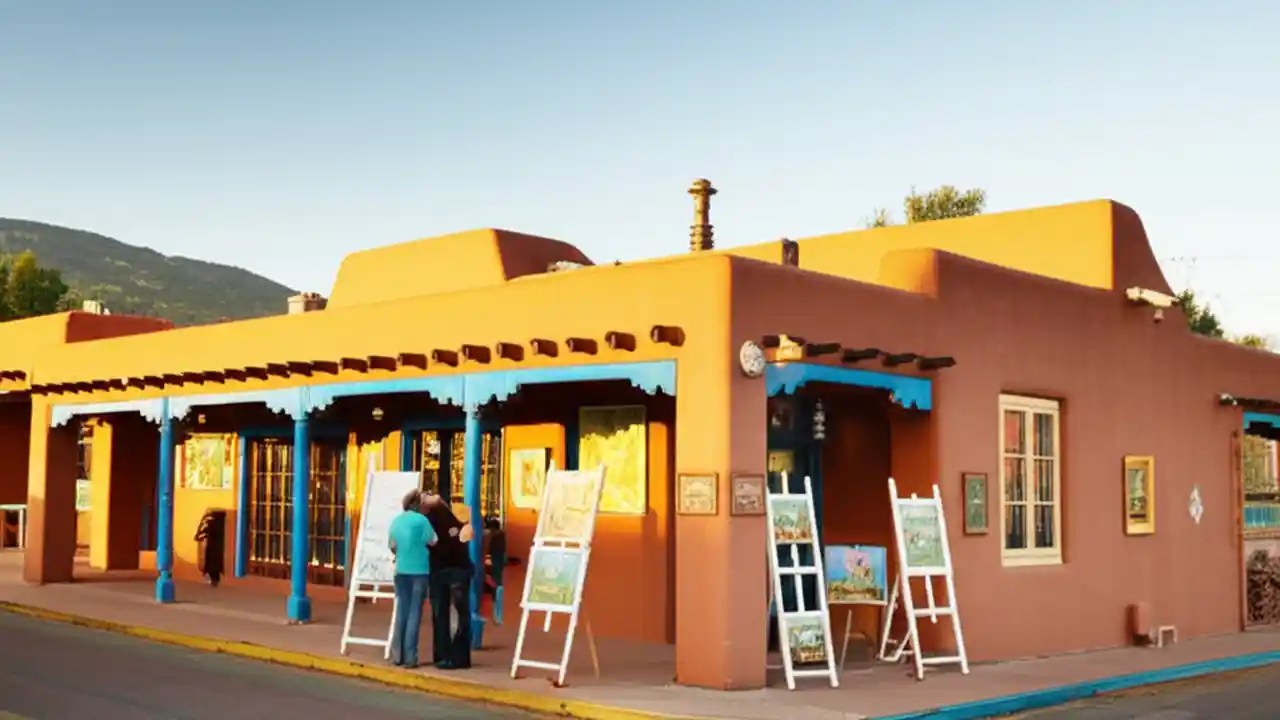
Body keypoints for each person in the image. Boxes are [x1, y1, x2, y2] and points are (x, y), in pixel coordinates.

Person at [422, 492, 474, 670]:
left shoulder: (428, 520)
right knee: (461, 614)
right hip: (461, 568)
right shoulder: (457, 517)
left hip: (441, 569)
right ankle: (461, 657)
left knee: (440, 614)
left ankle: (442, 655)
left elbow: (429, 543)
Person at [388, 488, 436, 668]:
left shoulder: (396, 521)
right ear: (418, 505)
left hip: (401, 571)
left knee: (402, 611)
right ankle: (410, 656)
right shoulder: (422, 521)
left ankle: (397, 655)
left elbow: (392, 545)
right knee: (415, 612)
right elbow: (433, 541)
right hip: (420, 571)